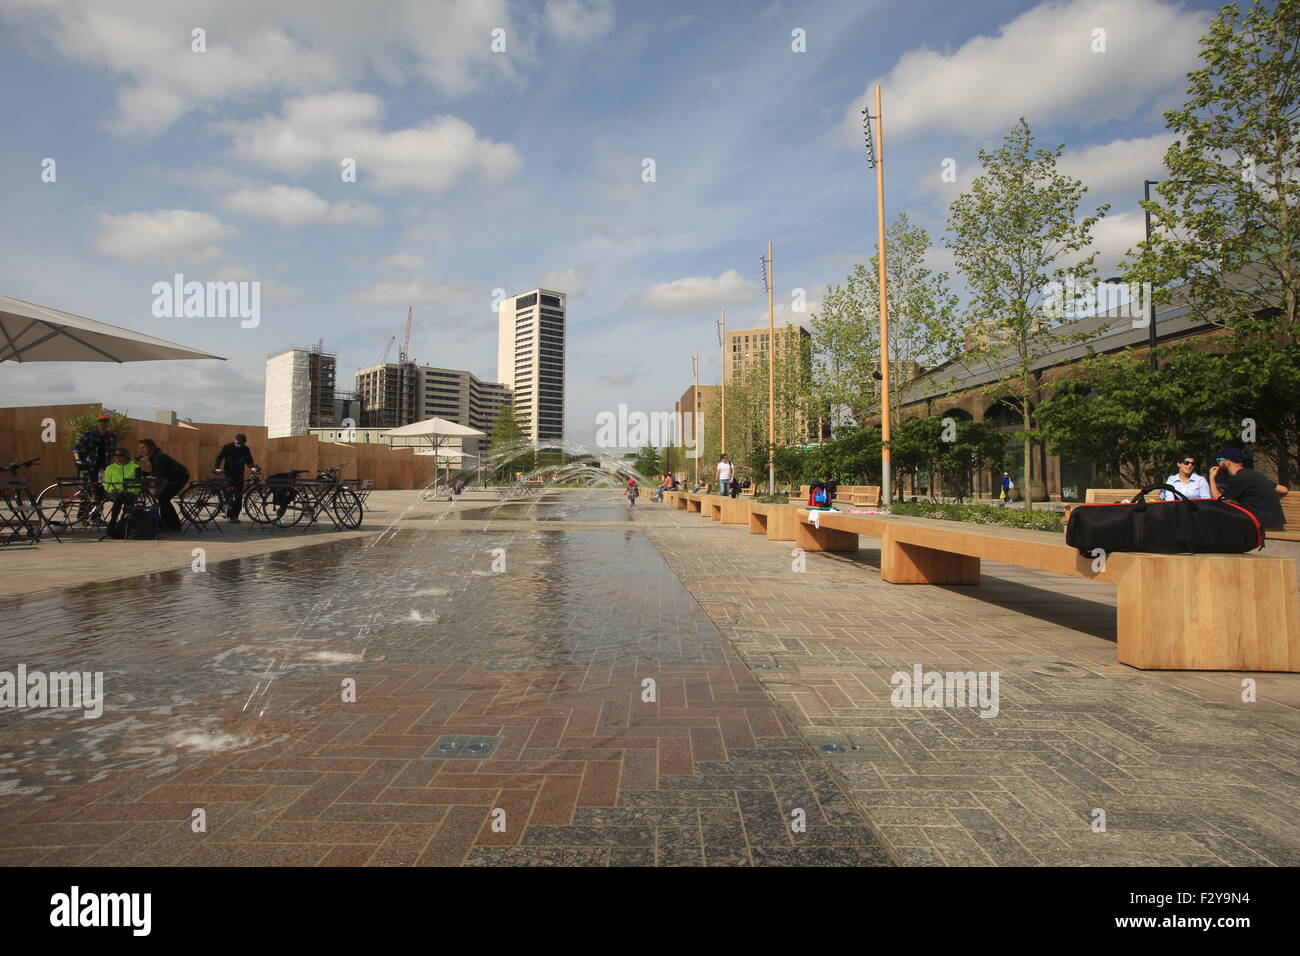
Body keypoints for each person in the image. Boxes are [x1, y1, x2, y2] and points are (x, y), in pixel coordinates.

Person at [1208, 448, 1286, 530]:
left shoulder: (1239, 478)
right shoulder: (1255, 474)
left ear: (1227, 462)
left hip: (1259, 525)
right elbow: (1284, 490)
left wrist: (1212, 477)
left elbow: (1219, 499)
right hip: (1275, 523)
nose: (1218, 463)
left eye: (1218, 460)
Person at [136, 438, 189, 532]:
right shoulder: (153, 457)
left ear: (151, 448)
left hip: (180, 476)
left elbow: (160, 476)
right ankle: (173, 525)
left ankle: (171, 525)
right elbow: (155, 473)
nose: (141, 450)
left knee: (163, 498)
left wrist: (156, 490)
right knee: (163, 499)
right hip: (173, 477)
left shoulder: (158, 457)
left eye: (143, 447)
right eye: (139, 448)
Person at [213, 432, 258, 523]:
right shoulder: (227, 447)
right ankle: (228, 511)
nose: (239, 445)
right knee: (229, 494)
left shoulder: (245, 449)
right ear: (234, 440)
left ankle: (234, 517)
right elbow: (219, 458)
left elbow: (249, 461)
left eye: (241, 444)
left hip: (239, 476)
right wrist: (216, 468)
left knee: (238, 496)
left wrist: (252, 467)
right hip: (228, 476)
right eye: (238, 443)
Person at [72, 413, 116, 482]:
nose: (104, 424)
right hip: (91, 464)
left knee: (107, 486)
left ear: (108, 423)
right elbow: (76, 448)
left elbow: (113, 452)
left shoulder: (111, 436)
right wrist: (78, 460)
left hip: (106, 466)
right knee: (91, 486)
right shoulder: (89, 434)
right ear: (98, 423)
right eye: (101, 422)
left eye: (106, 422)